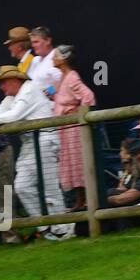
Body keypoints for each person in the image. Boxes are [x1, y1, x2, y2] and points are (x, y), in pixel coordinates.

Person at [0, 64, 65, 241]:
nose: (1, 87)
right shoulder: (11, 97)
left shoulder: (29, 89)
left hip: (44, 139)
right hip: (29, 143)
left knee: (50, 189)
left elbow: (14, 116)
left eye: (3, 82)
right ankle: (46, 229)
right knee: (22, 187)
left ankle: (64, 230)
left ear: (15, 80)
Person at [51, 45, 96, 214]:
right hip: (66, 128)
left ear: (63, 59)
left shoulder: (72, 77)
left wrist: (80, 116)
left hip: (75, 129)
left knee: (79, 162)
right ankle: (80, 201)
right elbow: (62, 97)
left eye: (55, 55)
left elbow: (88, 96)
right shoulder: (62, 78)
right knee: (72, 164)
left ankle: (88, 200)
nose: (53, 58)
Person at [26, 26, 62, 98]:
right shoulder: (35, 60)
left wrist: (46, 93)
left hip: (50, 104)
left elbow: (63, 81)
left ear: (48, 41)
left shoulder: (56, 57)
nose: (33, 45)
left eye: (36, 42)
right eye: (32, 43)